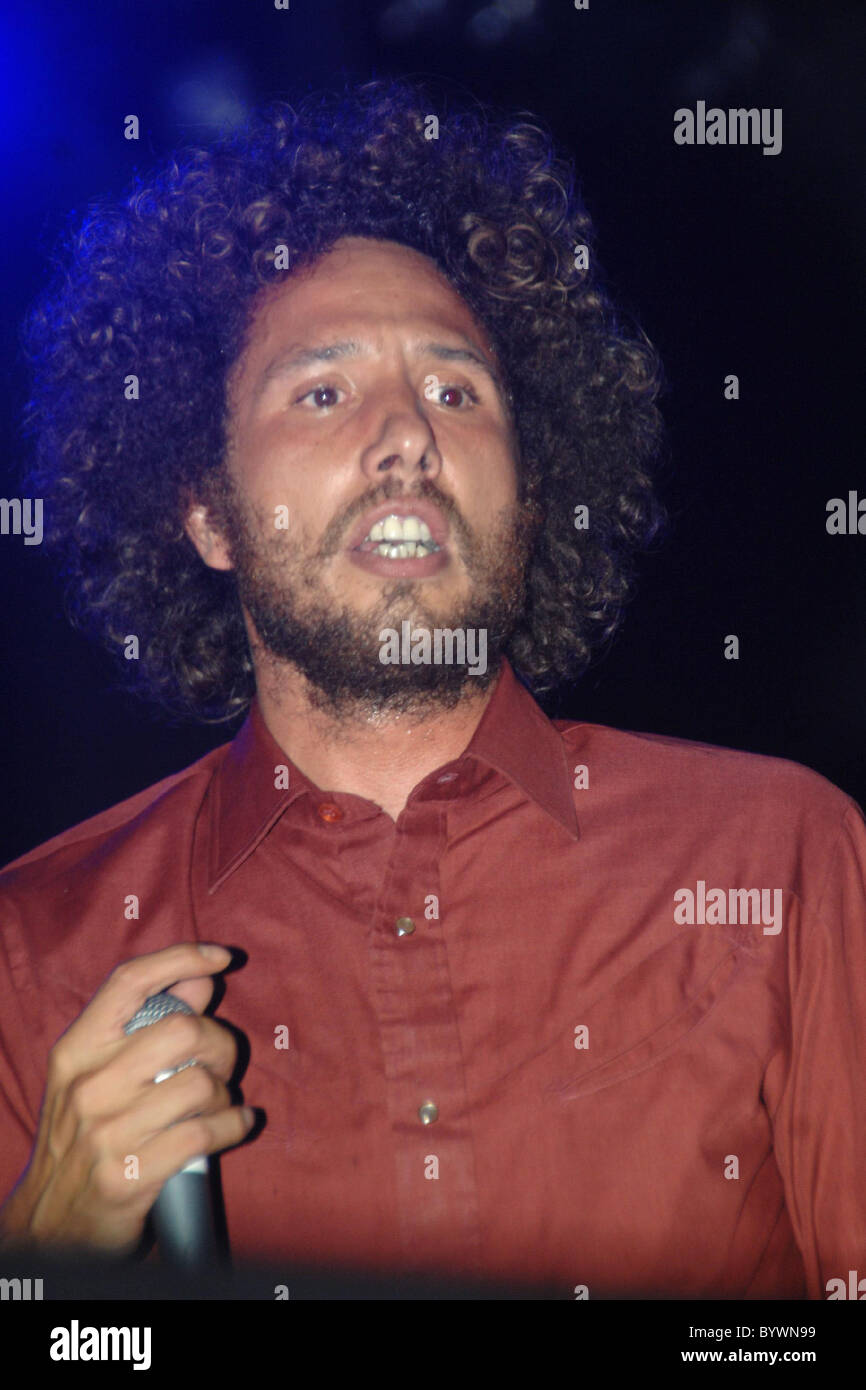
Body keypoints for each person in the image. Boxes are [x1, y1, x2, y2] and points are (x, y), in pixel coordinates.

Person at [0, 77, 863, 1300]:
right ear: (204, 511)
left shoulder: (780, 856)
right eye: (323, 390)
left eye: (457, 391)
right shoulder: (35, 953)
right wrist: (49, 1260)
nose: (408, 434)